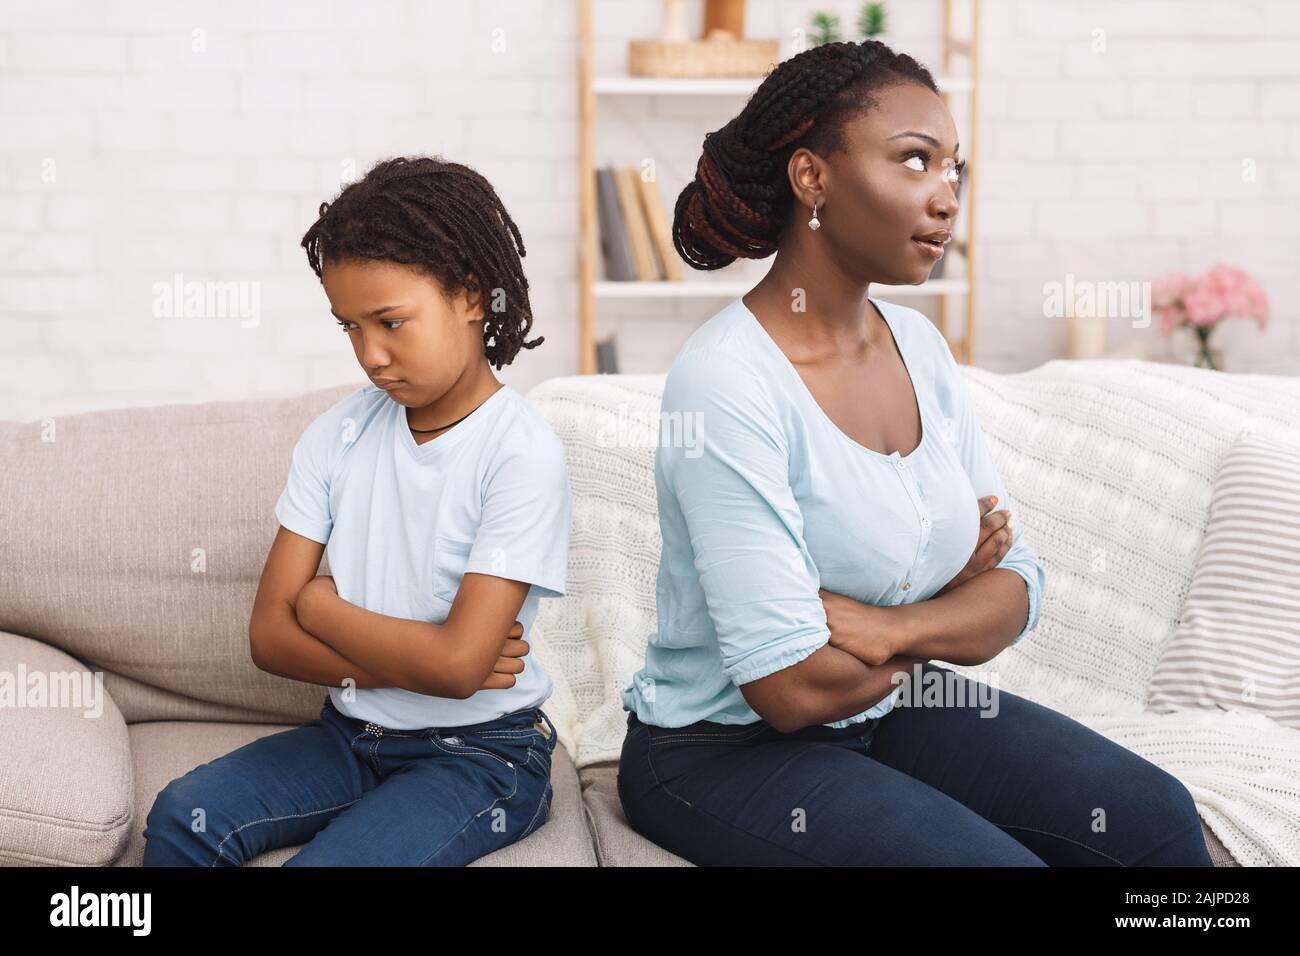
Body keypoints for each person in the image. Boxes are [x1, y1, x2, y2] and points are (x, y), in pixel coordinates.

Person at [617, 40, 1212, 866]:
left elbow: (1018, 586)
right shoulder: (726, 381)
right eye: (914, 161)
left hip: (883, 709)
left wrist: (886, 627)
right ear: (812, 178)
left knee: (1155, 817)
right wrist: (946, 614)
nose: (946, 197)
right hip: (724, 753)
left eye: (954, 169)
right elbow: (788, 687)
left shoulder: (920, 349)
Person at [143, 156, 570, 866]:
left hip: (483, 756)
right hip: (349, 735)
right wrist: (417, 658)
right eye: (349, 327)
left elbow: (461, 671)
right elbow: (267, 639)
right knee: (183, 817)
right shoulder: (336, 435)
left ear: (470, 296)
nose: (370, 354)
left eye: (391, 322)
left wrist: (322, 608)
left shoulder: (520, 453)